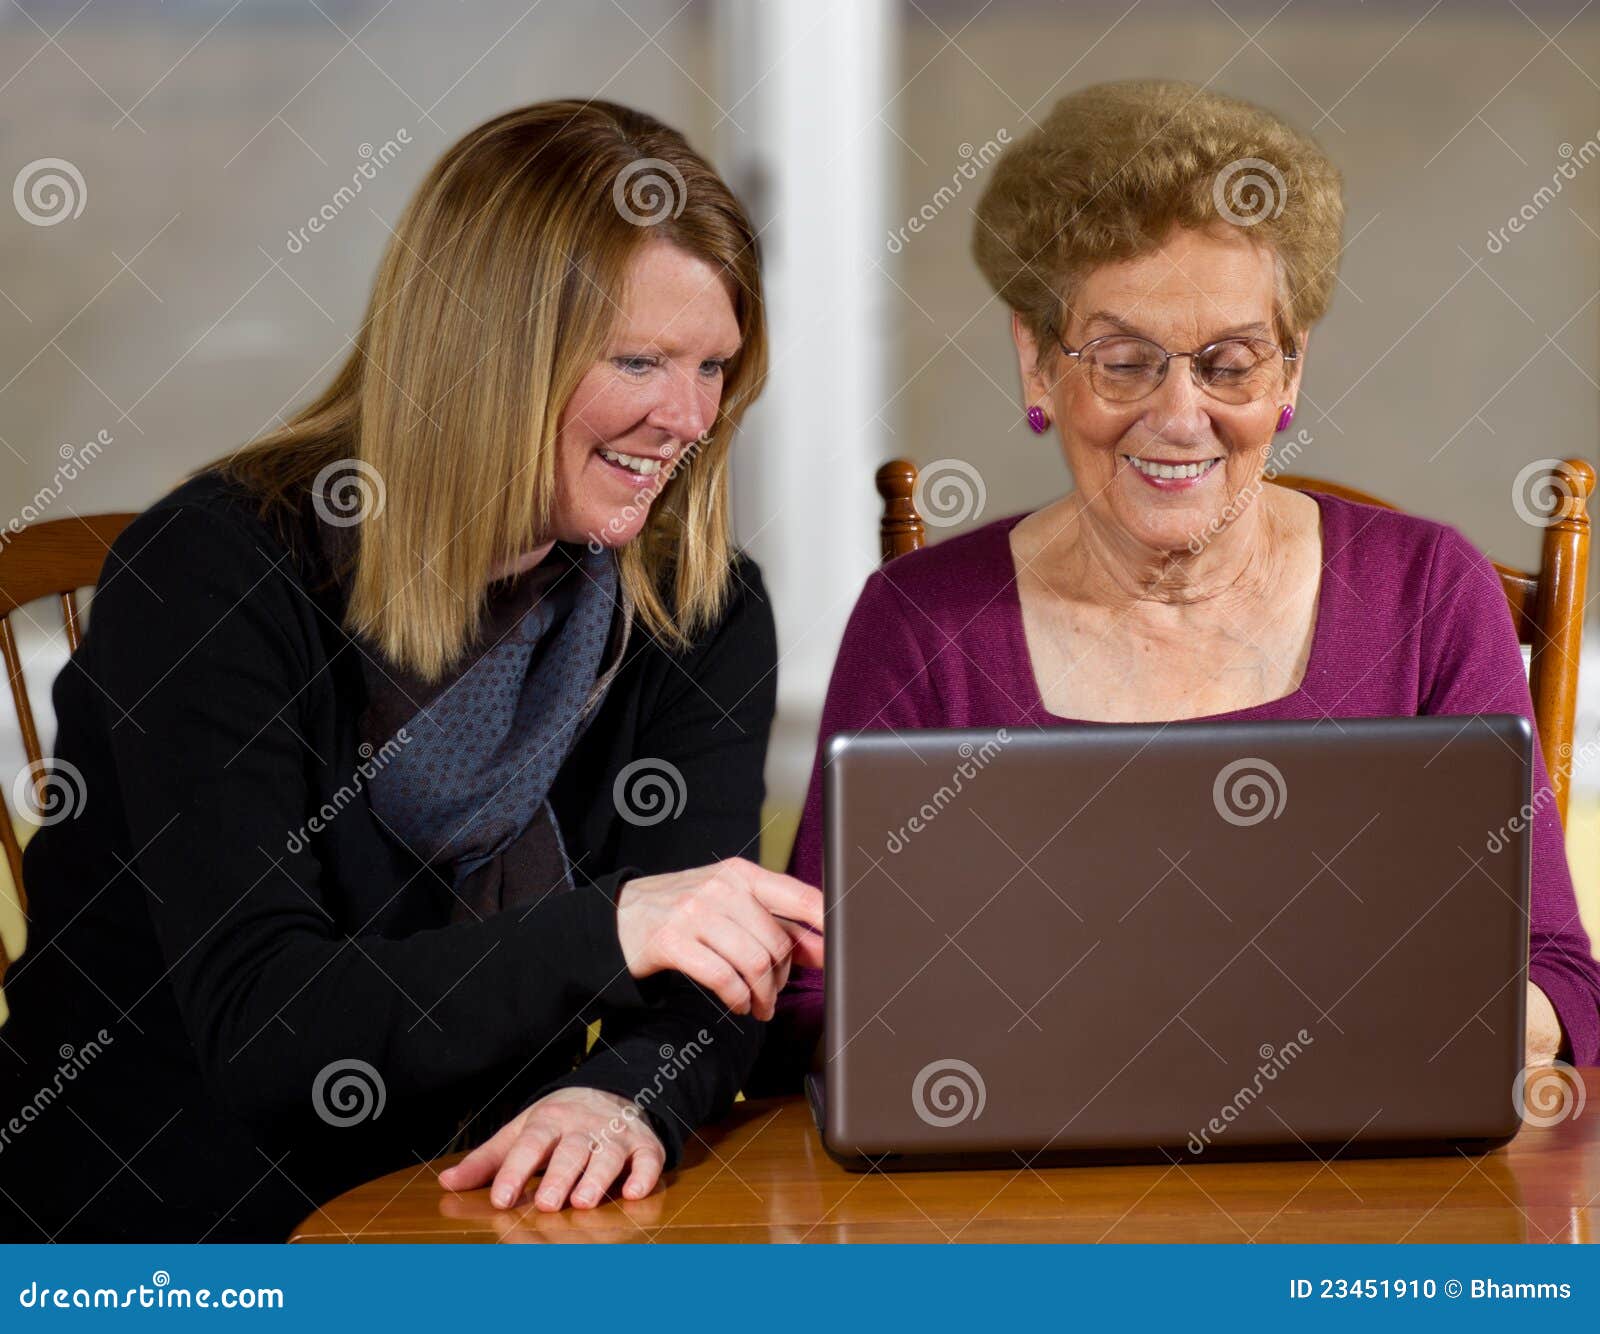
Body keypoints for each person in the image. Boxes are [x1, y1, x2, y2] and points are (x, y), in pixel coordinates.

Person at [0, 99, 820, 1241]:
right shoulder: (211, 573)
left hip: (469, 1204)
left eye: (713, 365)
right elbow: (266, 1028)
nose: (686, 417)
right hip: (162, 1226)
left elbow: (712, 976)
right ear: (487, 355)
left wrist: (615, 1094)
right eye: (639, 360)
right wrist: (610, 926)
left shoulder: (696, 604)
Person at [756, 78, 1600, 1092]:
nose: (1178, 415)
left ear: (1290, 372)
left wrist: (1406, 1033)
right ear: (1037, 363)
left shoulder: (1426, 594)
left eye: (1230, 363)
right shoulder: (919, 622)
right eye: (1123, 361)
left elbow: (1557, 978)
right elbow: (808, 1001)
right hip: (1016, 1181)